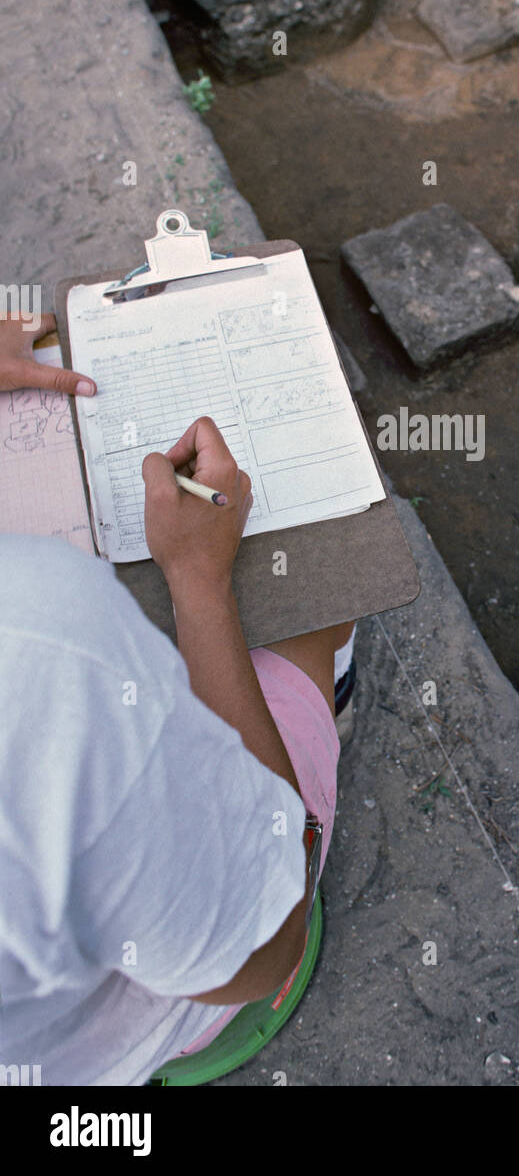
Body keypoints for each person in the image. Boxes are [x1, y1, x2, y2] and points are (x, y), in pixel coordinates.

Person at [0, 310, 356, 1084]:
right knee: (314, 598)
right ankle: (327, 691)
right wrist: (199, 583)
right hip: (165, 998)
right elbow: (262, 950)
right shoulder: (38, 636)